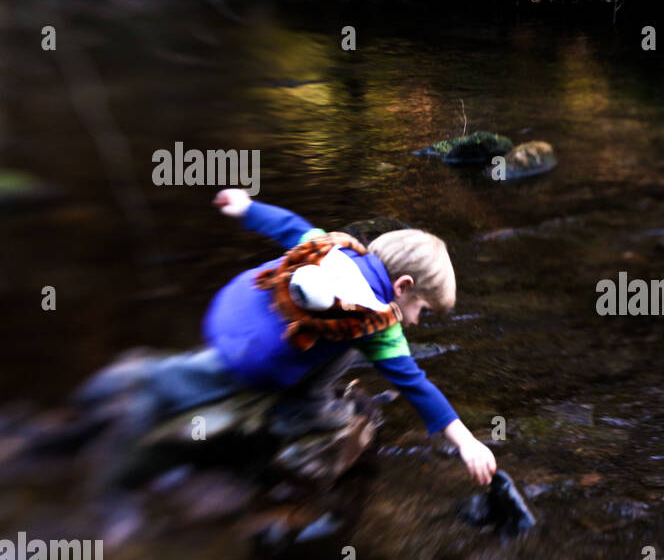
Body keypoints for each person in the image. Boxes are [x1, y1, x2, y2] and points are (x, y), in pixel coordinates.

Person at [74, 188, 496, 485]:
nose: (418, 321)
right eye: (422, 309)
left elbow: (286, 224)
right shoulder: (377, 322)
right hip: (257, 361)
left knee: (212, 367)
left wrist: (244, 207)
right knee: (216, 377)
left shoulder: (330, 245)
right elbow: (416, 386)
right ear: (402, 287)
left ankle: (145, 379)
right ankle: (299, 410)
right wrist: (467, 443)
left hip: (230, 309)